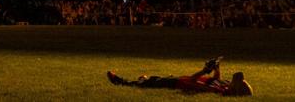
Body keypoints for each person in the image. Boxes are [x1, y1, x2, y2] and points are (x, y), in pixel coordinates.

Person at [107, 59, 252, 96]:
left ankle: (120, 81)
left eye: (235, 82)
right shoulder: (224, 85)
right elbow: (215, 79)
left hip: (177, 83)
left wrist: (204, 71)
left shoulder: (216, 91)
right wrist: (216, 68)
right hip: (179, 80)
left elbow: (192, 81)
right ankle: (144, 79)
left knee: (148, 84)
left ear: (235, 89)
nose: (231, 81)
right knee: (154, 79)